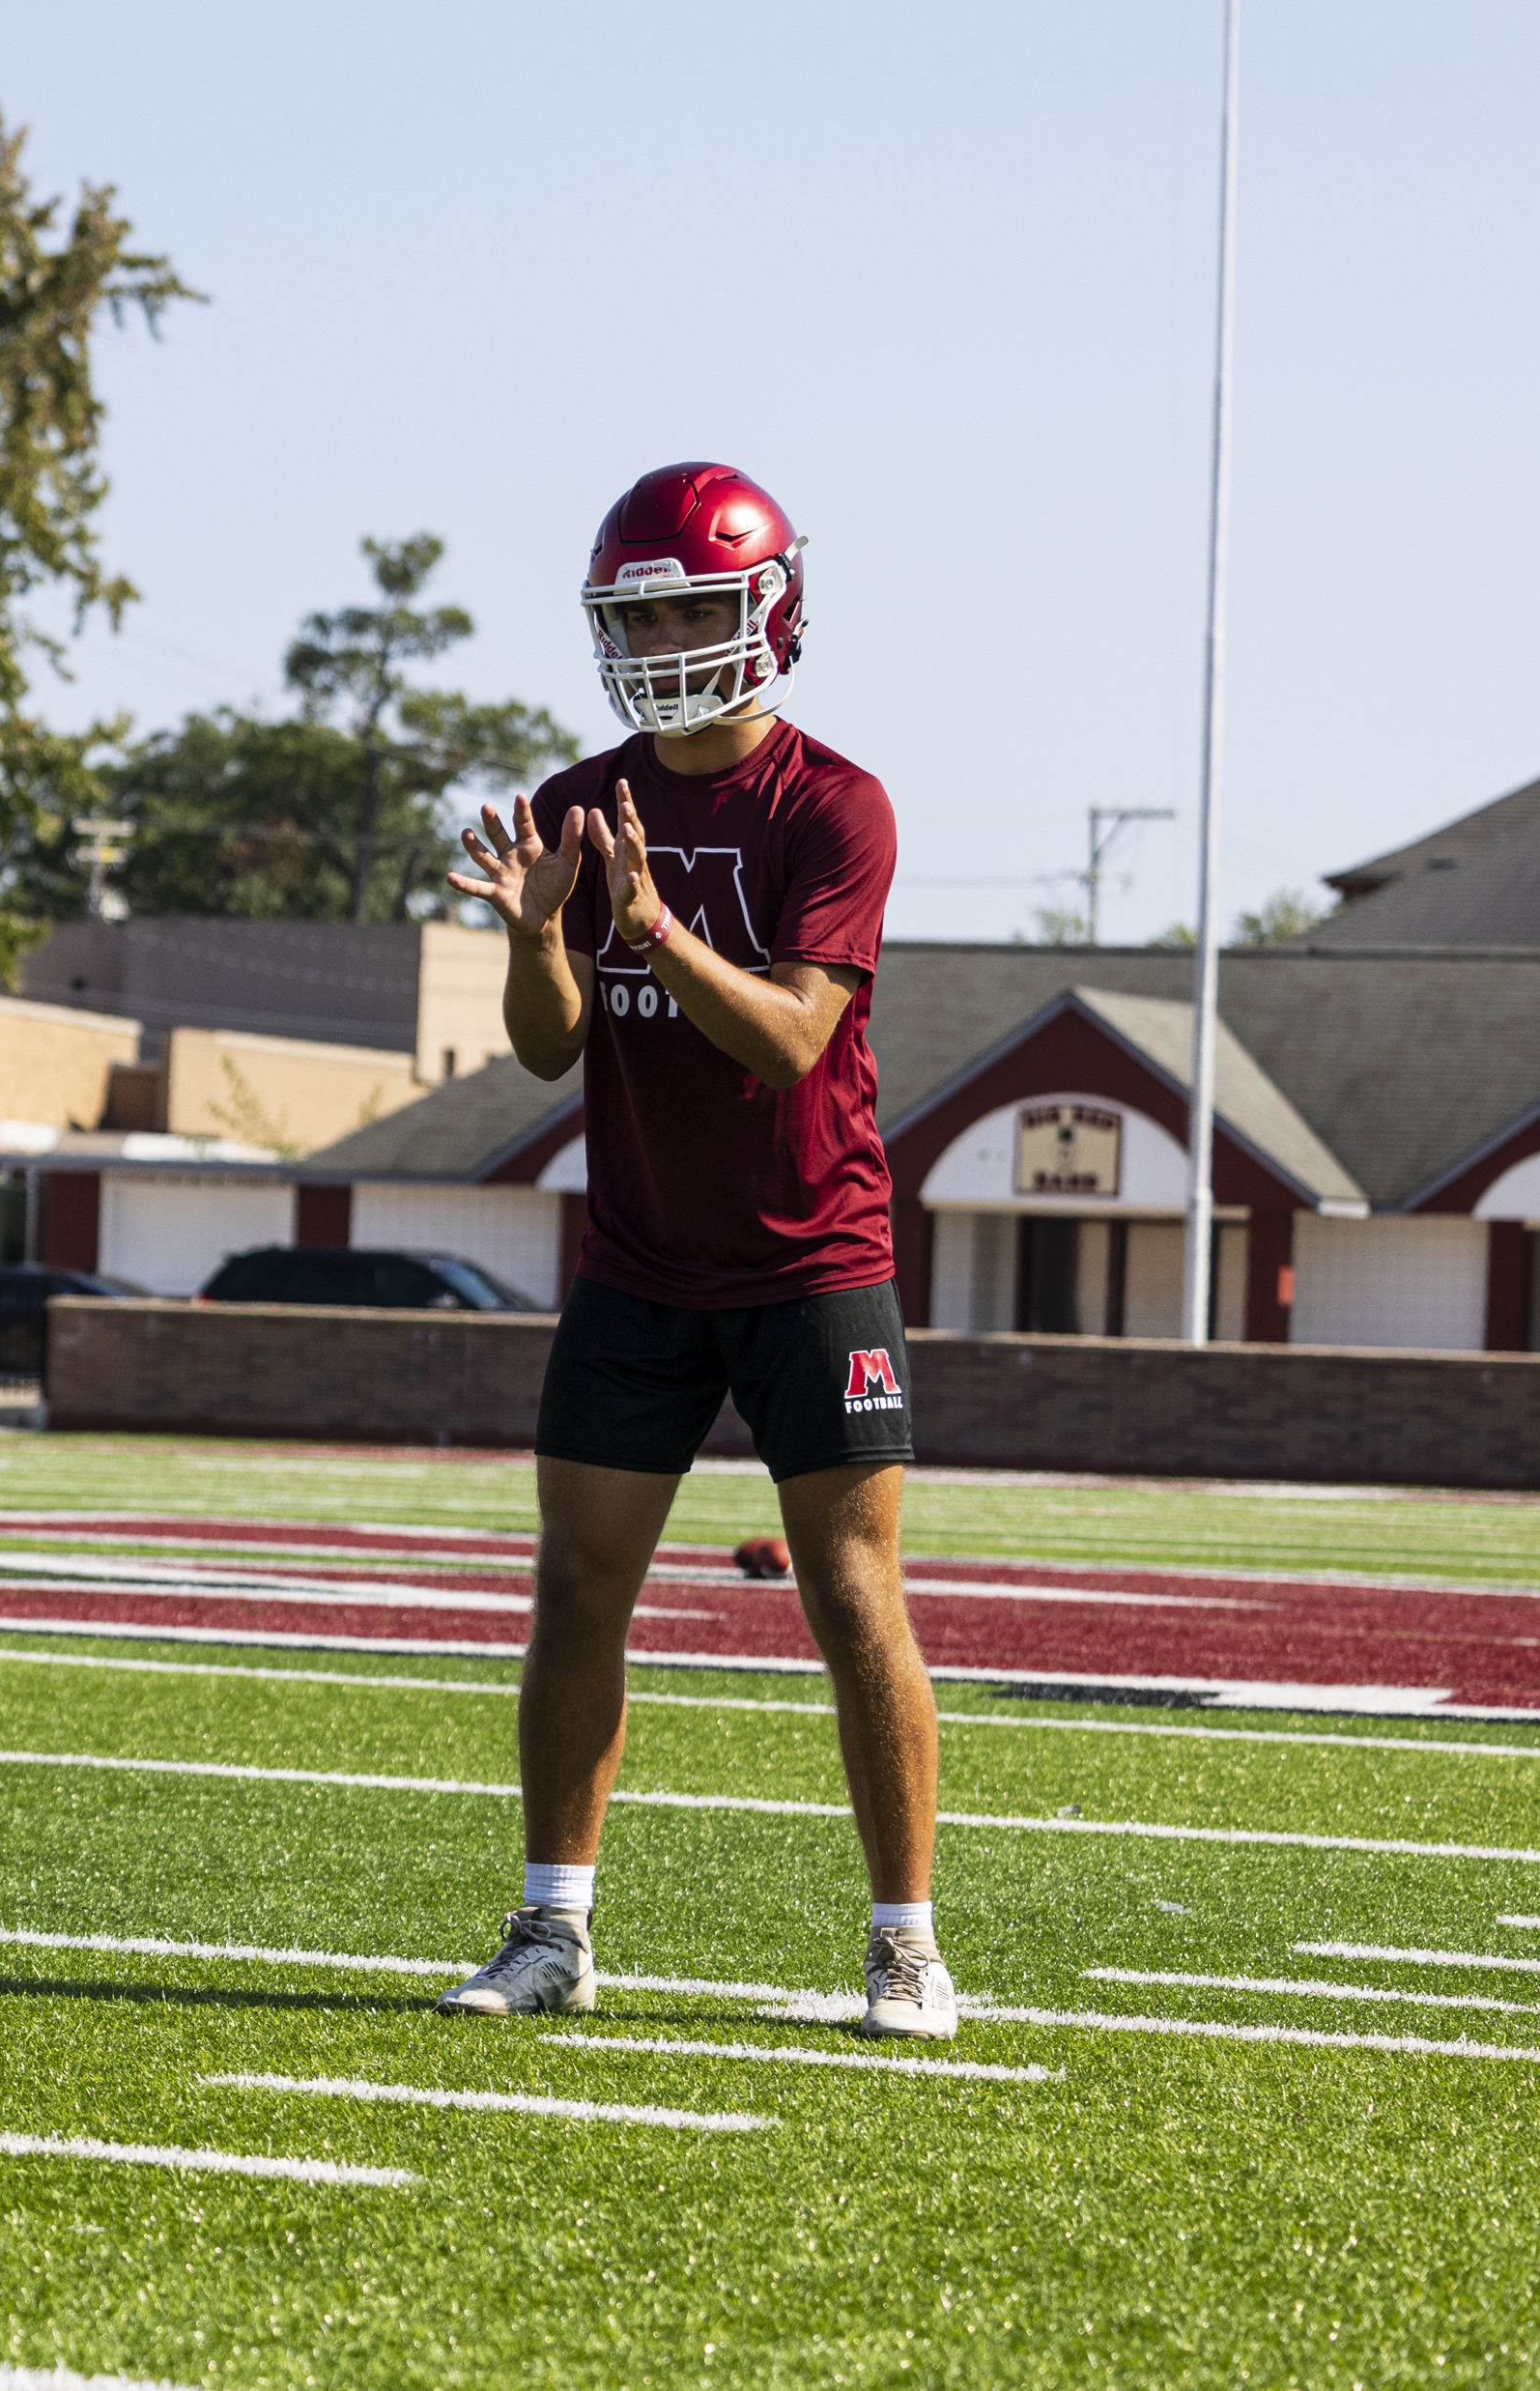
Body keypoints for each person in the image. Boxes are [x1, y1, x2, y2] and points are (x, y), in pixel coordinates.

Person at [434, 460, 953, 2040]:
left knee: (853, 1596)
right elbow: (547, 1052)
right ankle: (552, 1933)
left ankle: (907, 1947)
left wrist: (657, 928)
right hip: (640, 1262)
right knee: (576, 1587)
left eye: (690, 604)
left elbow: (797, 1038)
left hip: (811, 1258)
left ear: (768, 610)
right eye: (637, 609)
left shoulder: (836, 803)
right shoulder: (587, 803)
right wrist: (540, 942)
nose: (662, 635)